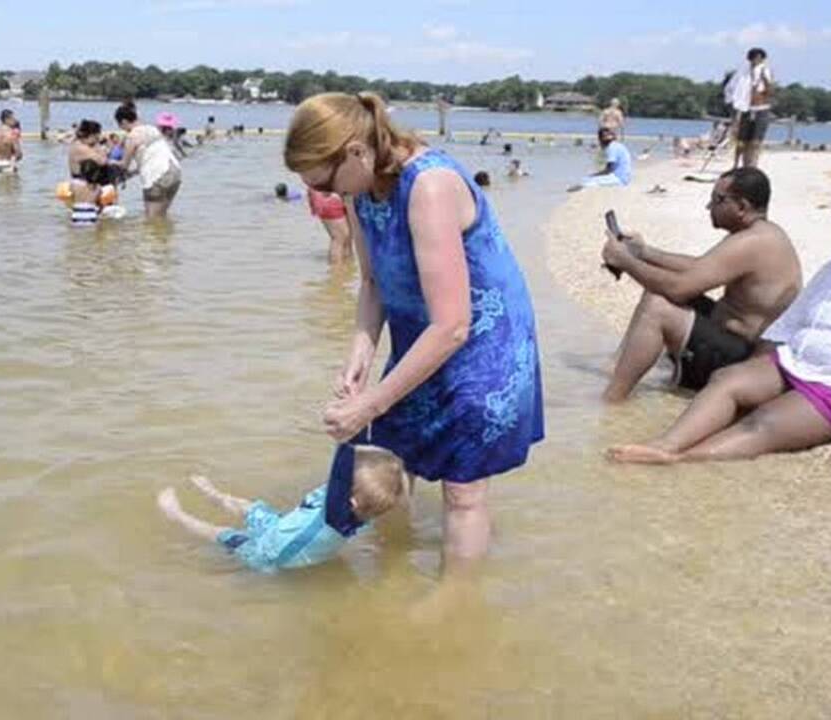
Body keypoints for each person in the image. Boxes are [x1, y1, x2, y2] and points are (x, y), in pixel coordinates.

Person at [284, 92, 544, 576]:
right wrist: (359, 352)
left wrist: (371, 403)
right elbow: (371, 282)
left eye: (322, 182)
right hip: (424, 331)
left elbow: (453, 325)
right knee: (388, 459)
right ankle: (394, 574)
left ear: (357, 153)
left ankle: (456, 599)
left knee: (462, 486)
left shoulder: (430, 187)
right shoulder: (359, 194)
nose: (321, 196)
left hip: (481, 335)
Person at [608, 181, 831, 465]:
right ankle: (665, 444)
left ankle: (678, 458)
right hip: (795, 362)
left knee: (764, 422)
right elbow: (788, 325)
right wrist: (758, 370)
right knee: (727, 380)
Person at [599, 167, 802, 402]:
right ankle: (617, 366)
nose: (709, 207)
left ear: (742, 207)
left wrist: (624, 261)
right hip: (735, 339)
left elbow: (680, 287)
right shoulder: (760, 234)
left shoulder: (753, 242)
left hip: (744, 358)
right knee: (655, 288)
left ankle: (611, 402)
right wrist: (643, 253)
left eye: (717, 200)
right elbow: (702, 267)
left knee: (658, 307)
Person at [157, 442, 409, 572]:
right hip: (280, 526)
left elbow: (342, 459)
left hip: (266, 553)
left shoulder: (336, 514)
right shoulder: (363, 511)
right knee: (253, 507)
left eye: (342, 480)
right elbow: (362, 475)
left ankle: (177, 515)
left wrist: (348, 429)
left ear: (348, 498)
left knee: (219, 533)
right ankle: (215, 495)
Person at [112, 101, 182, 218]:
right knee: (162, 217)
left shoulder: (132, 137)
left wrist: (110, 162)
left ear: (123, 122)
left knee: (151, 220)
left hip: (157, 176)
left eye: (119, 125)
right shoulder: (152, 129)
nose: (121, 128)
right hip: (175, 172)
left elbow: (124, 165)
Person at [737, 47, 775, 169]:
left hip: (761, 108)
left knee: (756, 140)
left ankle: (753, 165)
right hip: (746, 108)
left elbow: (769, 91)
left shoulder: (765, 71)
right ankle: (742, 165)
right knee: (743, 140)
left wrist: (764, 80)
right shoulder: (744, 74)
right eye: (754, 58)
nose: (756, 60)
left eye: (759, 58)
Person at [567, 127, 632, 191]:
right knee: (590, 178)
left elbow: (608, 170)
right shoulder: (617, 145)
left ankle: (574, 190)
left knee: (588, 179)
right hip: (624, 177)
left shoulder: (612, 147)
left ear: (600, 139)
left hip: (619, 179)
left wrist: (594, 175)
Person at [307, 188, 352, 263]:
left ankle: (347, 270)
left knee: (346, 238)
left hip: (331, 196)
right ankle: (337, 271)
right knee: (339, 238)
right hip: (331, 197)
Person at [0, 109, 23, 174]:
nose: (15, 120)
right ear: (6, 119)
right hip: (7, 165)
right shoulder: (12, 133)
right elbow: (18, 154)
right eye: (12, 118)